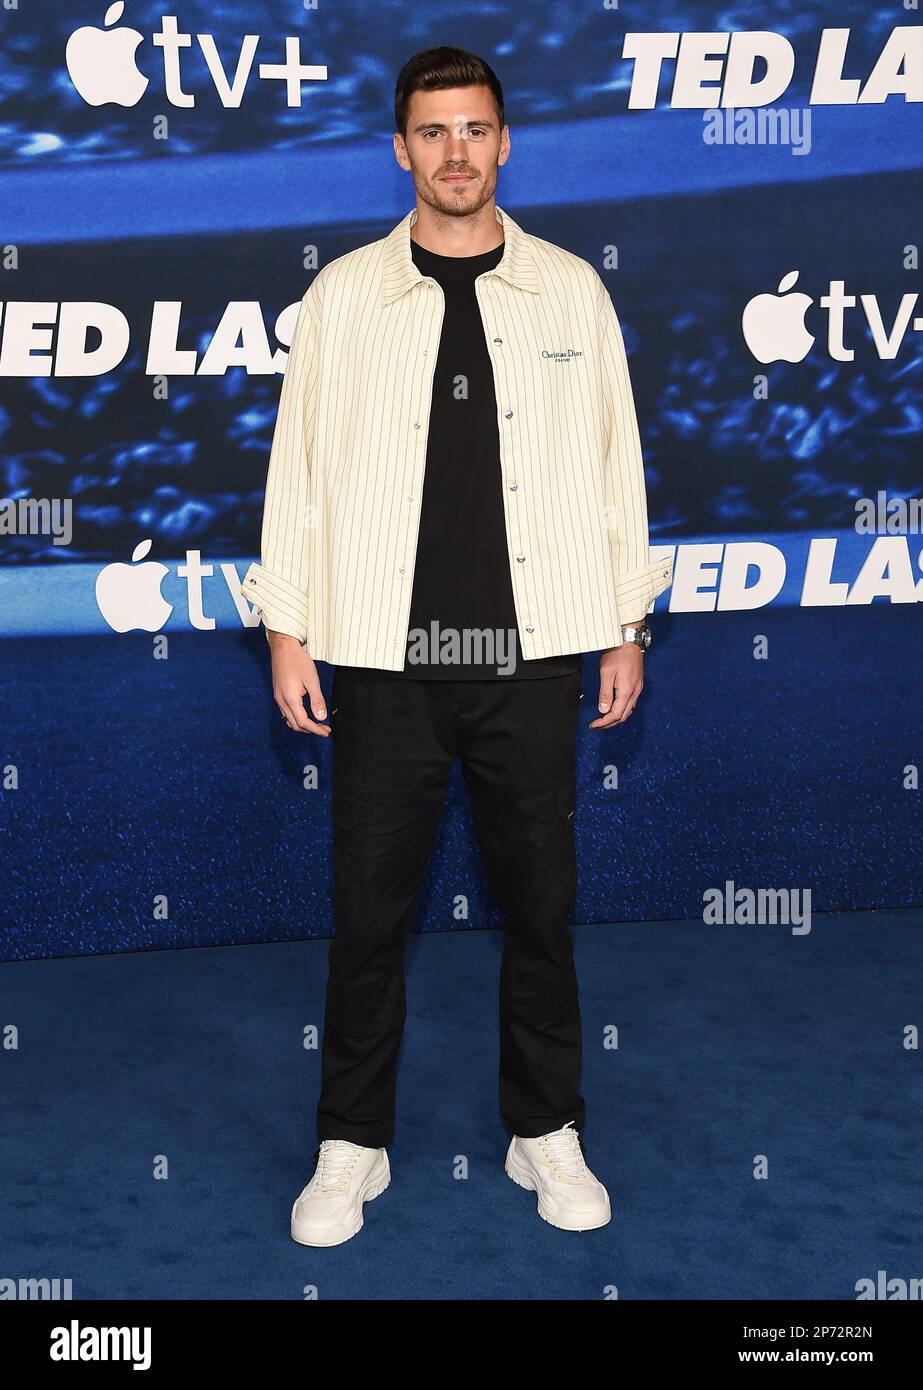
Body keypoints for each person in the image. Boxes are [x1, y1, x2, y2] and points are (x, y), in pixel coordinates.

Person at [241, 45, 672, 1246]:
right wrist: (288, 628)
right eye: (432, 133)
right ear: (398, 148)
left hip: (532, 659)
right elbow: (299, 481)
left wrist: (625, 621)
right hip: (382, 659)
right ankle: (350, 1143)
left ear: (505, 142)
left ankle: (544, 1129)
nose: (456, 154)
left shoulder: (571, 292)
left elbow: (612, 470)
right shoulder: (341, 299)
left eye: (475, 130)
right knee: (368, 916)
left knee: (540, 909)